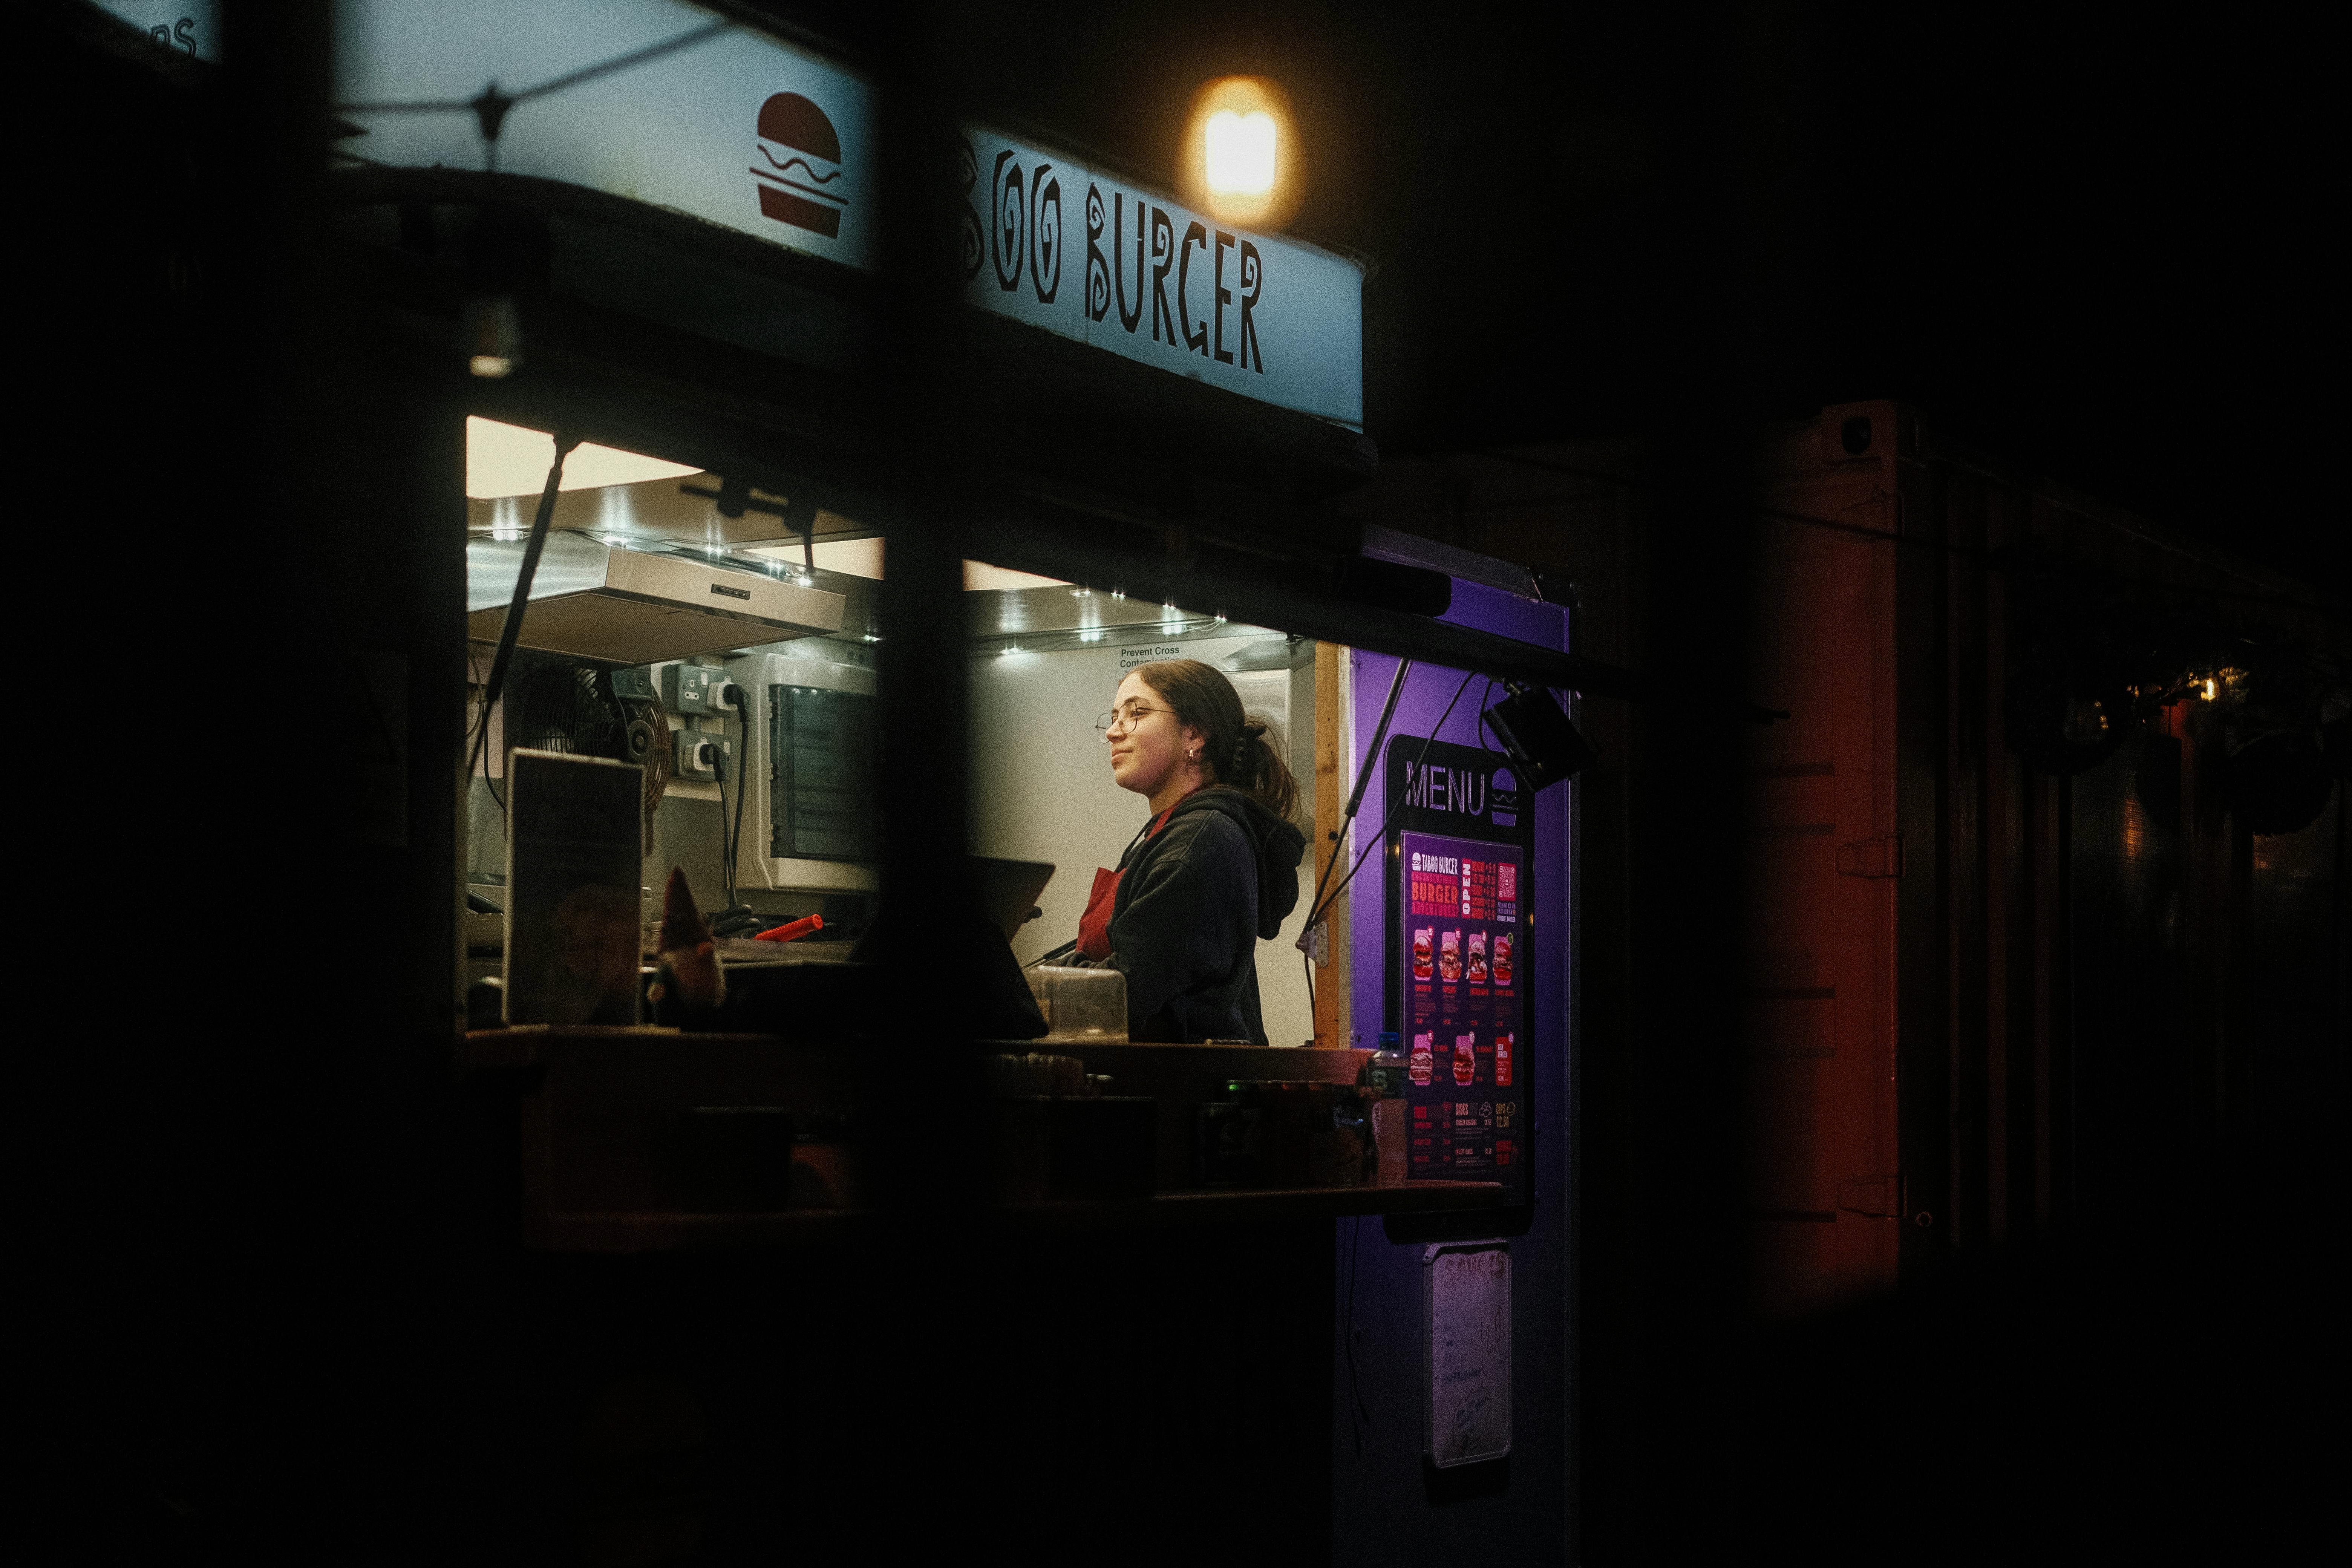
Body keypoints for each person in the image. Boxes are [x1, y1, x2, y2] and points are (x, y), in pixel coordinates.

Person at [1073, 658, 1306, 1043]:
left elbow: (1125, 991)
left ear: (1194, 735)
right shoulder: (1175, 832)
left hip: (1174, 1078)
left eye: (1137, 713)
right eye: (1114, 718)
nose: (1114, 731)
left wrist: (1032, 989)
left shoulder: (1201, 841)